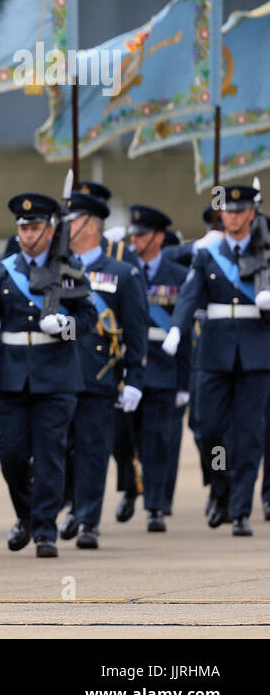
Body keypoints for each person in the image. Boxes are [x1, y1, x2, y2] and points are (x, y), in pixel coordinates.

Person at [0, 192, 97, 557]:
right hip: (10, 374)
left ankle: (44, 530)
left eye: (36, 227)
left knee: (49, 454)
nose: (28, 234)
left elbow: (88, 320)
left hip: (56, 373)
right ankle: (26, 514)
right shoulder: (3, 270)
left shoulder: (69, 267)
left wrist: (66, 326)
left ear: (50, 228)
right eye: (24, 228)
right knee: (10, 453)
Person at [167, 183, 270, 537]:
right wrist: (177, 330)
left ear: (252, 214)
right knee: (208, 429)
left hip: (256, 352)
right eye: (228, 211)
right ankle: (221, 484)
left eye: (241, 211)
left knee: (248, 434)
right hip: (214, 352)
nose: (234, 216)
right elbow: (189, 295)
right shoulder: (209, 254)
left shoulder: (267, 252)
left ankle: (240, 510)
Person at [57, 191, 148, 550]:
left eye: (72, 222)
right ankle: (72, 506)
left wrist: (135, 380)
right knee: (61, 448)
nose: (65, 228)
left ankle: (88, 520)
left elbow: (137, 330)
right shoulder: (57, 268)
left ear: (91, 226)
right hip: (58, 372)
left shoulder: (122, 273)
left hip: (99, 372)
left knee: (94, 449)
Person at [127, 204, 190, 531]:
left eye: (142, 234)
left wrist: (184, 382)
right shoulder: (122, 270)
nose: (135, 240)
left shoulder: (179, 277)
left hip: (163, 370)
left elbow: (185, 333)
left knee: (156, 441)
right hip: (126, 368)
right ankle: (129, 486)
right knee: (122, 440)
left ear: (158, 237)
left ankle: (154, 506)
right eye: (133, 234)